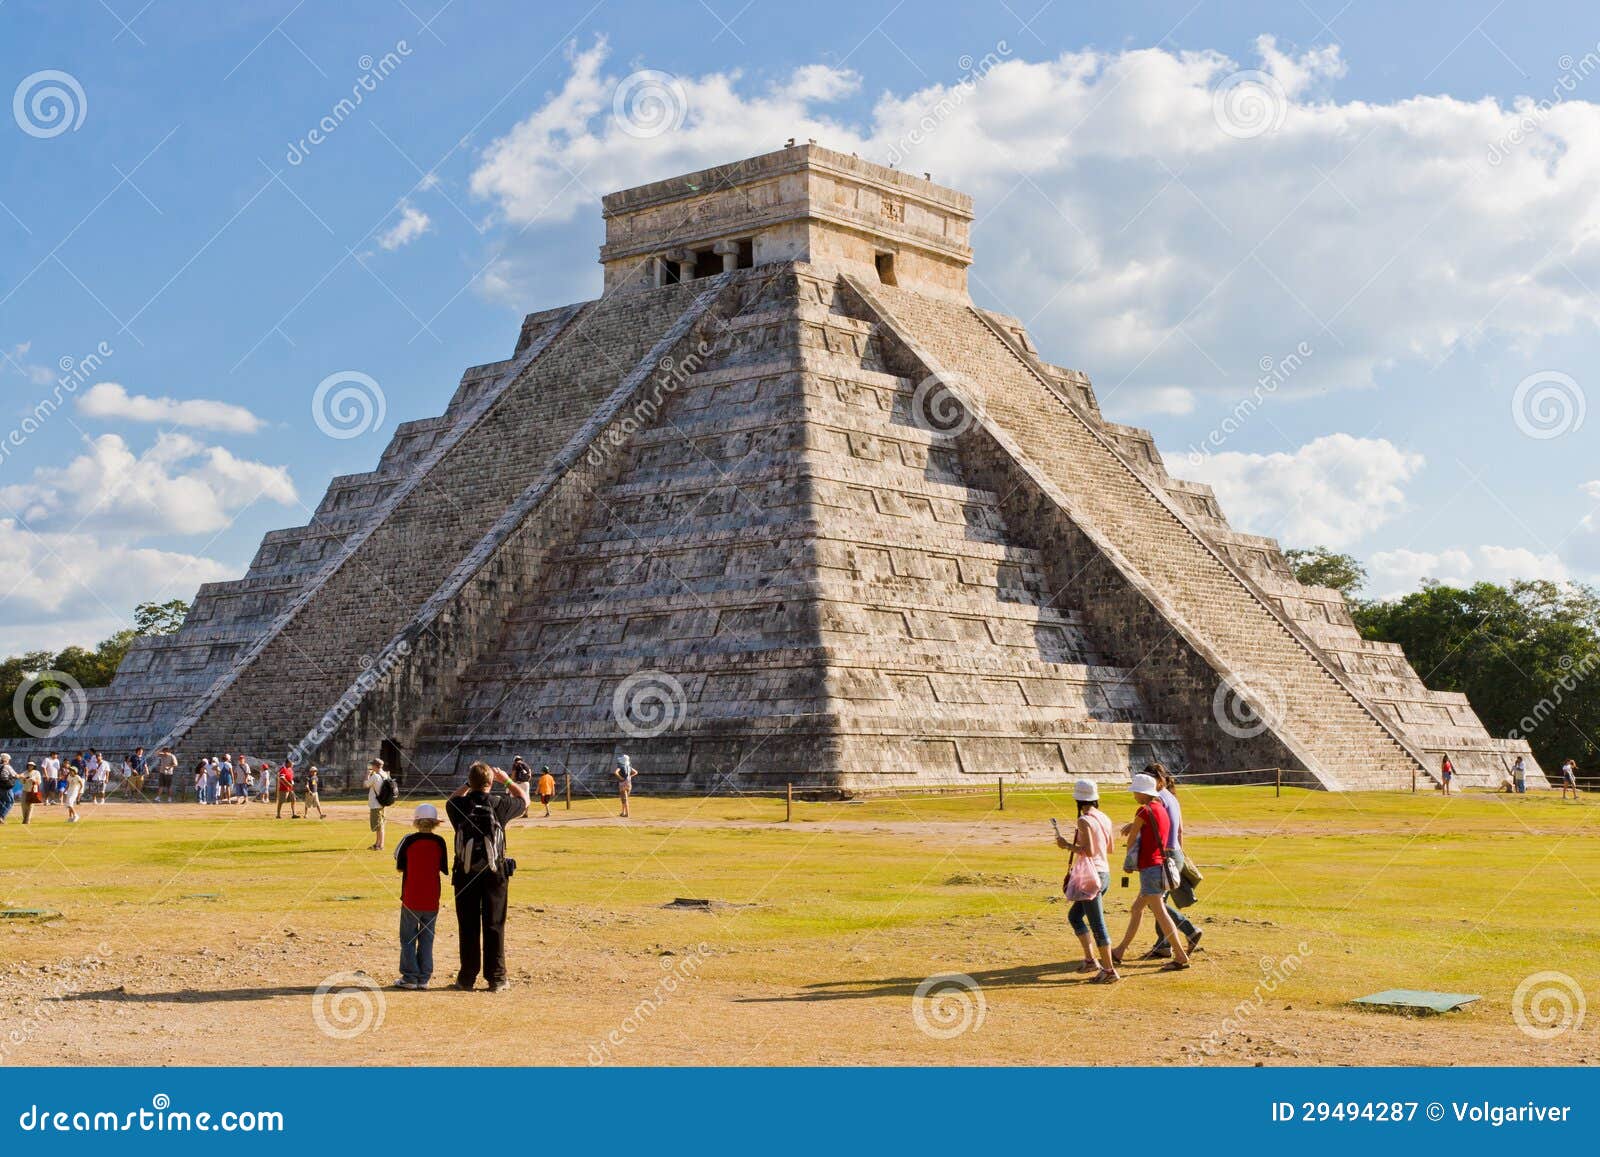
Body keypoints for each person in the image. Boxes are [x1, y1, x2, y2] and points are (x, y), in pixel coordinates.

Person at [447, 762, 530, 991]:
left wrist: (467, 784)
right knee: (494, 924)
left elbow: (450, 800)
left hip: (465, 873)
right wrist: (508, 781)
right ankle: (497, 978)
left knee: (468, 925)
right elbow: (525, 801)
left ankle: (466, 978)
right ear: (490, 783)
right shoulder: (499, 804)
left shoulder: (459, 805)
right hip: (495, 873)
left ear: (469, 781)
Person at [1111, 772, 1192, 971]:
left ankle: (1180, 956)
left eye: (1136, 792)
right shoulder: (1161, 809)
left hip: (1150, 868)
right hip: (1160, 866)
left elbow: (1132, 840)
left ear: (1142, 792)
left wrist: (1128, 862)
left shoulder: (1143, 811)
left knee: (1161, 914)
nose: (1134, 796)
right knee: (1137, 908)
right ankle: (1119, 950)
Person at [1056, 778, 1118, 983]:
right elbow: (1110, 848)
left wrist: (1067, 845)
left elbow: (1089, 851)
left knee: (1097, 924)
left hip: (1091, 876)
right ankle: (1091, 960)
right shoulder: (1104, 818)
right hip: (1105, 873)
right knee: (1075, 916)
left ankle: (1109, 970)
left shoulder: (1084, 820)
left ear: (1078, 800)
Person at [1148, 765, 1203, 960]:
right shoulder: (1173, 798)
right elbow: (1180, 830)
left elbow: (1157, 828)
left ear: (1158, 780)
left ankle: (1189, 929)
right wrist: (1179, 853)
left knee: (1155, 902)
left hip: (1166, 854)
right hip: (1176, 852)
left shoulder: (1158, 798)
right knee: (1161, 900)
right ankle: (1163, 944)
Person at [393, 803, 449, 990]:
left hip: (411, 896)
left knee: (408, 937)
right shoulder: (440, 842)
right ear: (434, 823)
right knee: (427, 938)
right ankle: (424, 977)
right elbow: (442, 868)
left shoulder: (408, 841)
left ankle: (410, 977)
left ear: (416, 822)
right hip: (432, 898)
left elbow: (400, 866)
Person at [365, 759, 393, 850]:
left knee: (379, 826)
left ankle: (380, 845)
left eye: (372, 765)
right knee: (380, 825)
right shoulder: (385, 774)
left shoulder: (375, 776)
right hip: (383, 802)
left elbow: (366, 785)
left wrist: (367, 775)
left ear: (375, 766)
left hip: (376, 803)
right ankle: (378, 843)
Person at [613, 753, 637, 817]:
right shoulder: (629, 767)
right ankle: (623, 812)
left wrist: (620, 777)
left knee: (624, 799)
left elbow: (615, 772)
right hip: (629, 783)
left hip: (622, 783)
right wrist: (630, 776)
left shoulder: (620, 766)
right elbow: (636, 772)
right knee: (625, 798)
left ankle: (627, 813)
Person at [0, 754, 16, 824]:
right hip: (5, 786)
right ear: (6, 759)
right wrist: (23, 777)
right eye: (9, 759)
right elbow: (15, 775)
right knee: (10, 802)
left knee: (2, 802)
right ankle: (1, 817)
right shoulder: (7, 766)